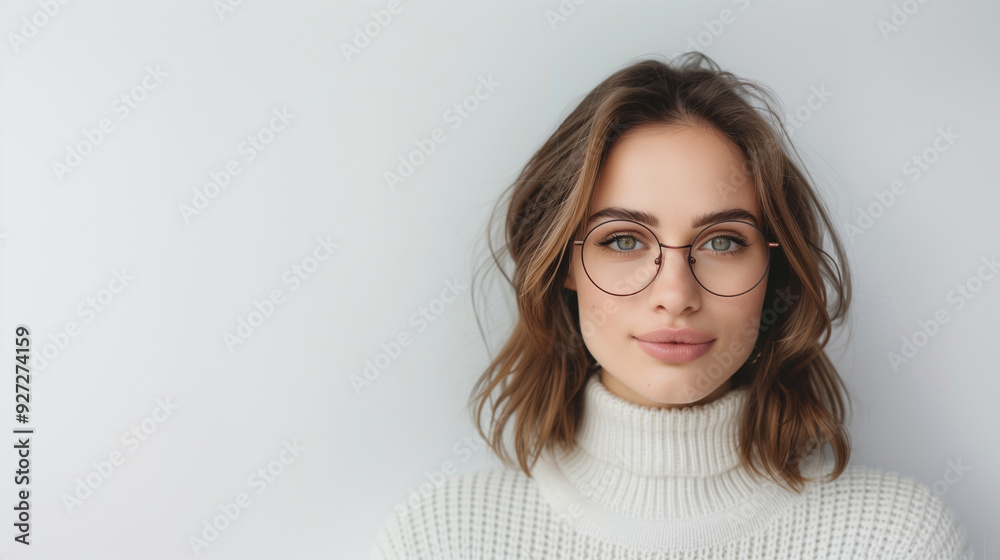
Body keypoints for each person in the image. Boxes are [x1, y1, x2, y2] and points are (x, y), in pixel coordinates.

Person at [370, 52, 973, 559]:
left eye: (722, 242)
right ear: (563, 267)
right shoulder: (442, 538)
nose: (676, 295)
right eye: (624, 240)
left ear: (775, 271)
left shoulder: (894, 539)